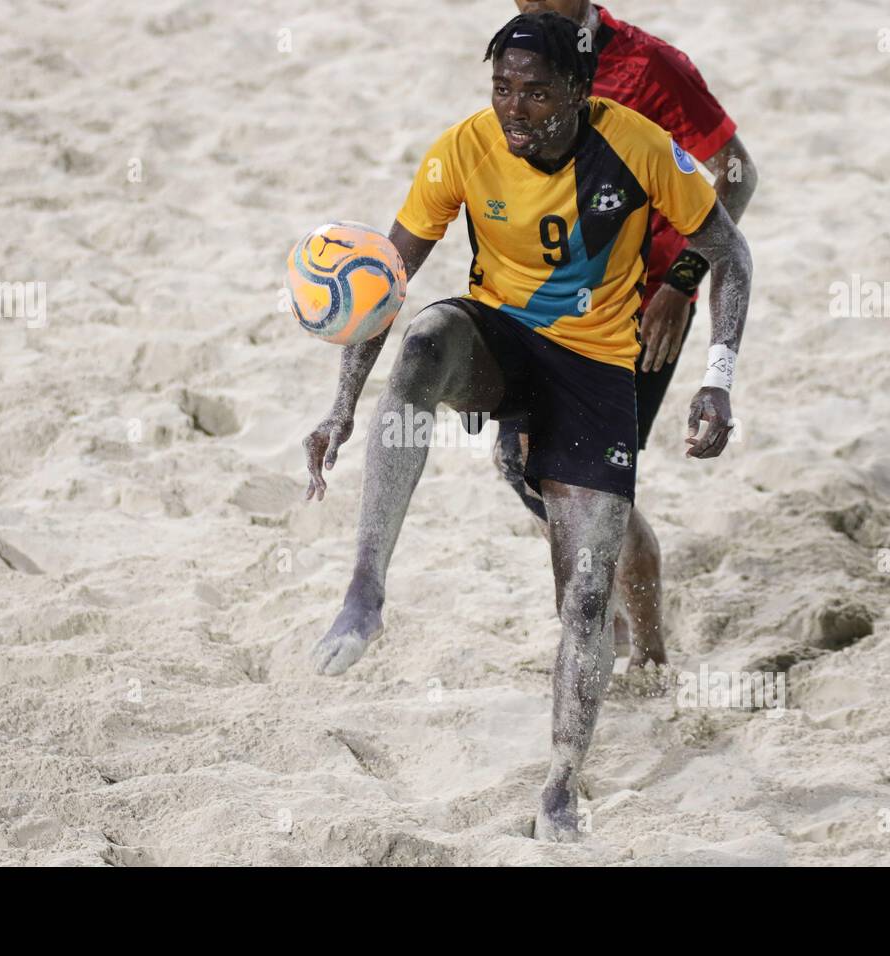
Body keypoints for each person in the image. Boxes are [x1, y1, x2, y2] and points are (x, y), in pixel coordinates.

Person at [301, 12, 752, 841]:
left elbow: (731, 238)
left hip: (601, 363)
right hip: (501, 343)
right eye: (502, 88)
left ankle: (560, 786)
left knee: (584, 594)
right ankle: (365, 588)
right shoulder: (462, 148)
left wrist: (715, 372)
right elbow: (387, 283)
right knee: (427, 339)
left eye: (535, 93)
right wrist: (340, 407)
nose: (514, 109)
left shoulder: (642, 135)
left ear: (580, 91)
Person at [498, 0, 759, 669]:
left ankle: (646, 656)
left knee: (595, 487)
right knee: (525, 466)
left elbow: (735, 170)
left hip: (644, 308)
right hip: (549, 304)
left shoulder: (650, 67)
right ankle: (612, 627)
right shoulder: (525, 55)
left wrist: (682, 279)